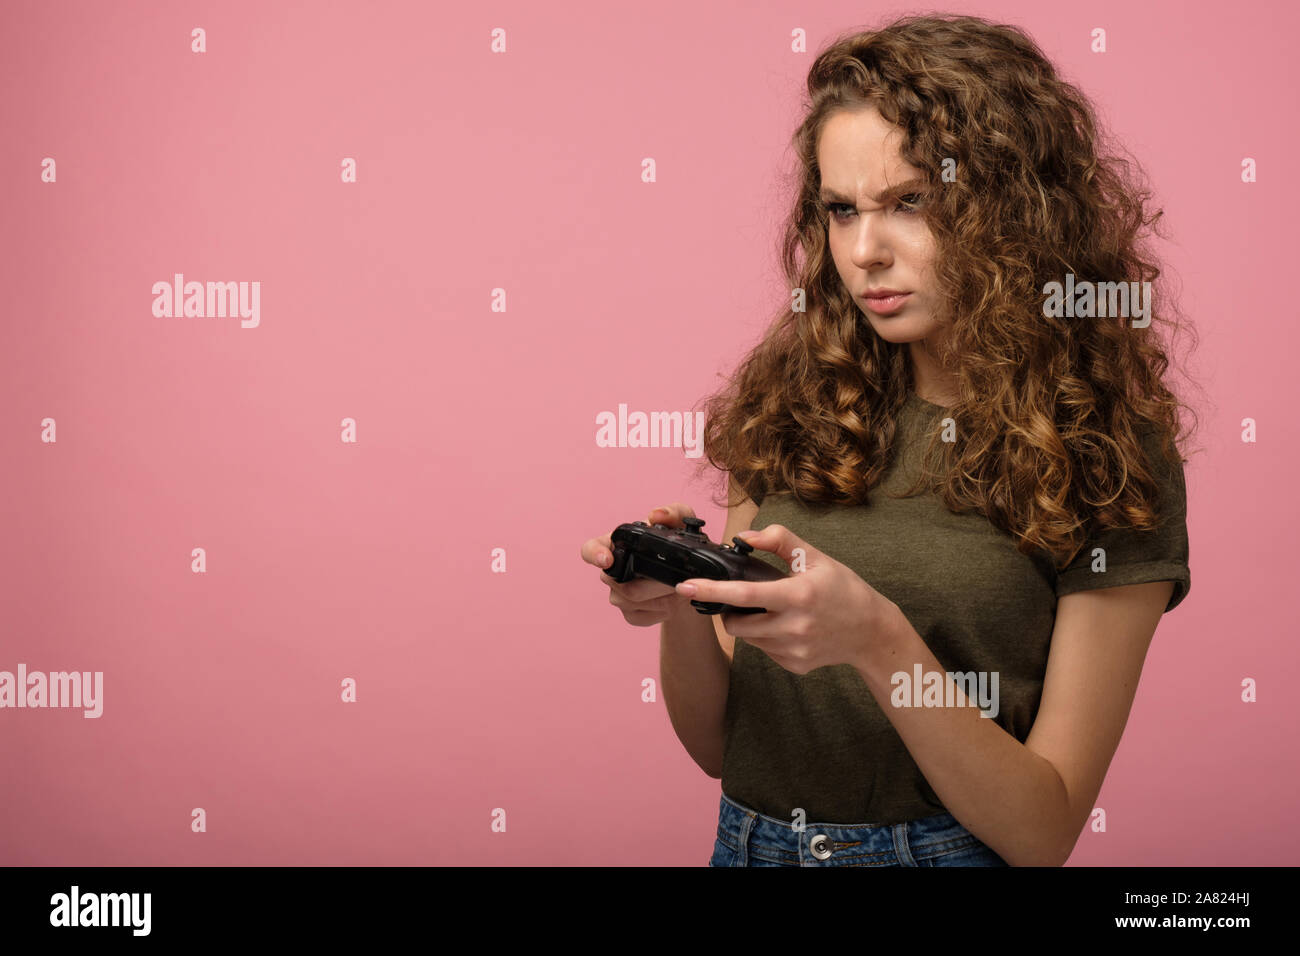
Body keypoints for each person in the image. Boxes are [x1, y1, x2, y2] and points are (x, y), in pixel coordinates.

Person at [579, 13, 1195, 867]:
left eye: (912, 203)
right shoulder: (786, 405)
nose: (865, 252)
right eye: (840, 210)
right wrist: (682, 606)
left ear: (1018, 210)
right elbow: (728, 749)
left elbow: (1043, 830)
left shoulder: (1106, 453)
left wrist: (877, 641)